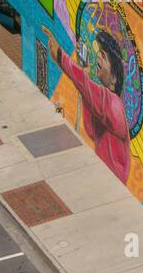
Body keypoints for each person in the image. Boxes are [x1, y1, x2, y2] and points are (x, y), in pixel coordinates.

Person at [42, 27, 130, 182]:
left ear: (115, 78)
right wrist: (85, 77)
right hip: (104, 178)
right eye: (99, 53)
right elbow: (90, 130)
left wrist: (60, 56)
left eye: (104, 55)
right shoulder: (106, 103)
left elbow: (85, 85)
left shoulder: (113, 103)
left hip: (110, 182)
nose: (98, 57)